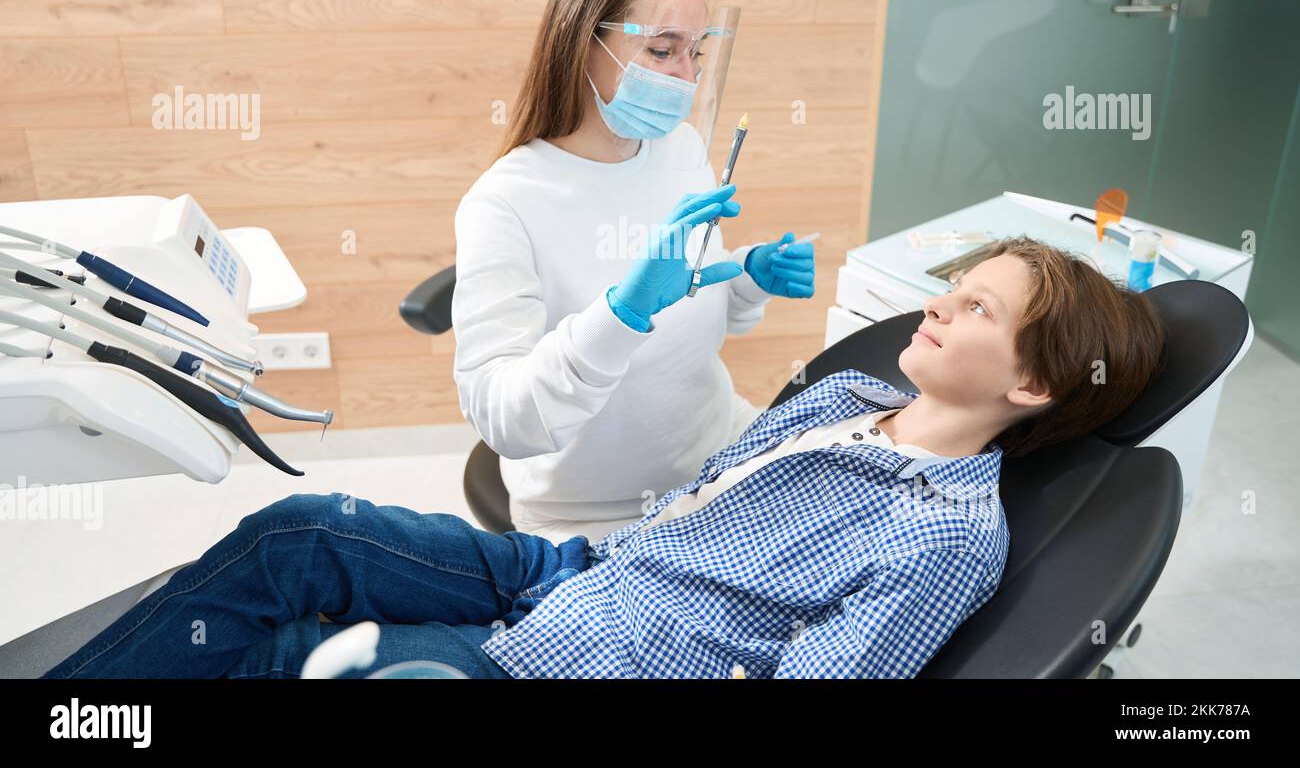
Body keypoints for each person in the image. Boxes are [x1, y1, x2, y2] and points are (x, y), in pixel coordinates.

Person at [41, 237, 1165, 679]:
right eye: (949, 285)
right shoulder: (850, 390)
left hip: (601, 665)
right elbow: (700, 502)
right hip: (572, 574)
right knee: (296, 534)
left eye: (971, 306)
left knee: (307, 656)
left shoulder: (942, 536)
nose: (935, 305)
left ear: (1029, 383)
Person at [451, 0, 816, 544]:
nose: (685, 76)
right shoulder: (505, 202)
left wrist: (749, 281)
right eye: (661, 48)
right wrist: (621, 313)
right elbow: (505, 419)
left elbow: (703, 314)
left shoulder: (682, 148)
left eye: (695, 51)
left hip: (718, 461)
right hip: (591, 517)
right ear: (581, 42)